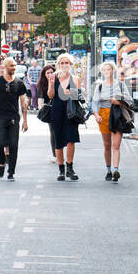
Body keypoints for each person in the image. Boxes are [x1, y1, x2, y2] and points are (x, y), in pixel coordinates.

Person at [89, 60, 132, 182]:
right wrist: (96, 115)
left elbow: (130, 101)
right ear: (102, 72)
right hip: (104, 115)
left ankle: (116, 170)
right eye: (105, 70)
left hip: (118, 115)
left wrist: (118, 102)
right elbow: (95, 103)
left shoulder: (121, 85)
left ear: (113, 70)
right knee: (107, 145)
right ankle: (108, 169)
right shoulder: (100, 86)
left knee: (116, 145)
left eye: (109, 69)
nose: (107, 72)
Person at [0, 57, 29, 179]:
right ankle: (2, 164)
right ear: (4, 67)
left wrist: (25, 121)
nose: (13, 68)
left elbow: (23, 102)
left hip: (14, 116)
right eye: (11, 65)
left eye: (15, 65)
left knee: (13, 144)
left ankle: (11, 171)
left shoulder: (19, 83)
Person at [47, 52, 83, 181]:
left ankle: (70, 167)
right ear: (58, 65)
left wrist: (71, 94)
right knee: (58, 140)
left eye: (66, 63)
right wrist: (51, 84)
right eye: (62, 63)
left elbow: (79, 97)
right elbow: (50, 96)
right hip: (57, 111)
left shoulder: (75, 79)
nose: (64, 65)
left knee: (71, 140)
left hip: (71, 111)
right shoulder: (54, 77)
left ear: (70, 64)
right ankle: (61, 169)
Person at [37, 63, 58, 162]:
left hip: (60, 107)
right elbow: (40, 97)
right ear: (44, 74)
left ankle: (60, 151)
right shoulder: (42, 83)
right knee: (53, 132)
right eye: (48, 73)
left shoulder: (58, 81)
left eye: (52, 72)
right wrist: (41, 109)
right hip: (50, 109)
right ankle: (55, 154)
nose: (50, 74)